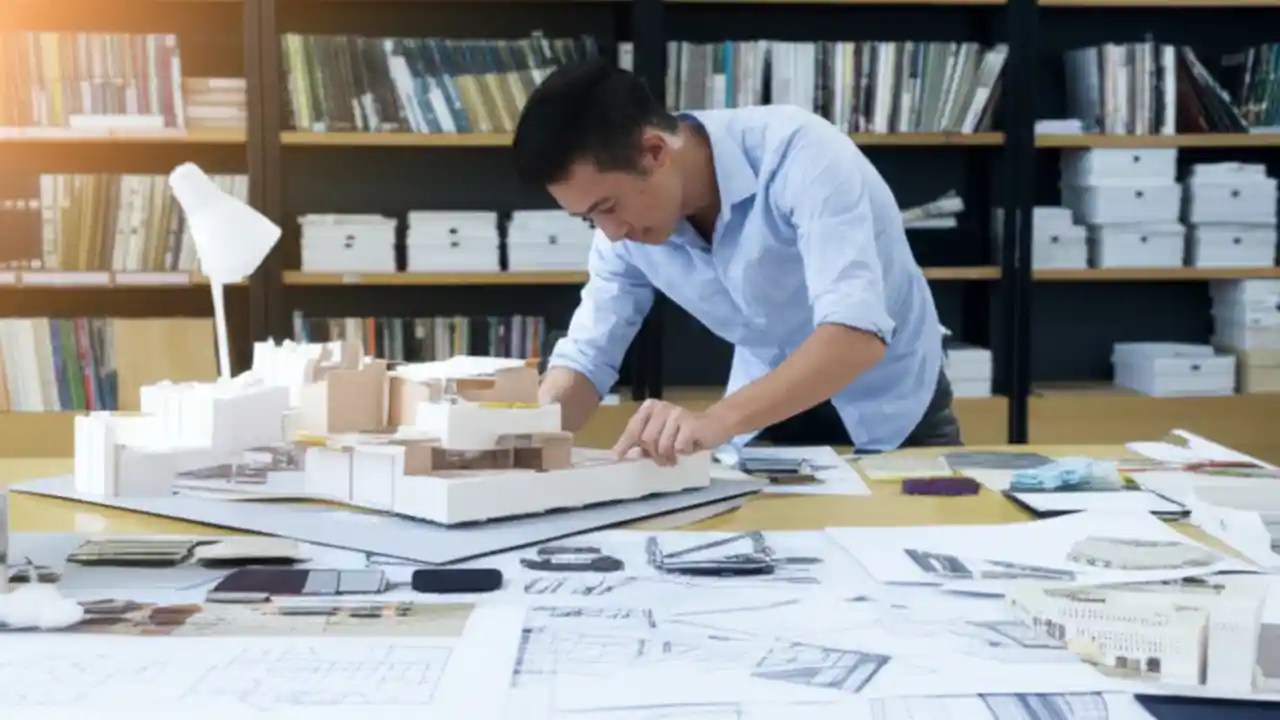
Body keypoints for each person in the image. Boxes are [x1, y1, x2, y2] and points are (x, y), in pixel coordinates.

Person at [511, 58, 961, 466]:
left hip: (894, 412)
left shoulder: (801, 154)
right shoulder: (625, 230)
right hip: (765, 418)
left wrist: (715, 421)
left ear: (654, 152)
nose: (609, 232)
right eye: (589, 217)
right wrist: (524, 445)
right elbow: (588, 358)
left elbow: (856, 335)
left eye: (607, 206)